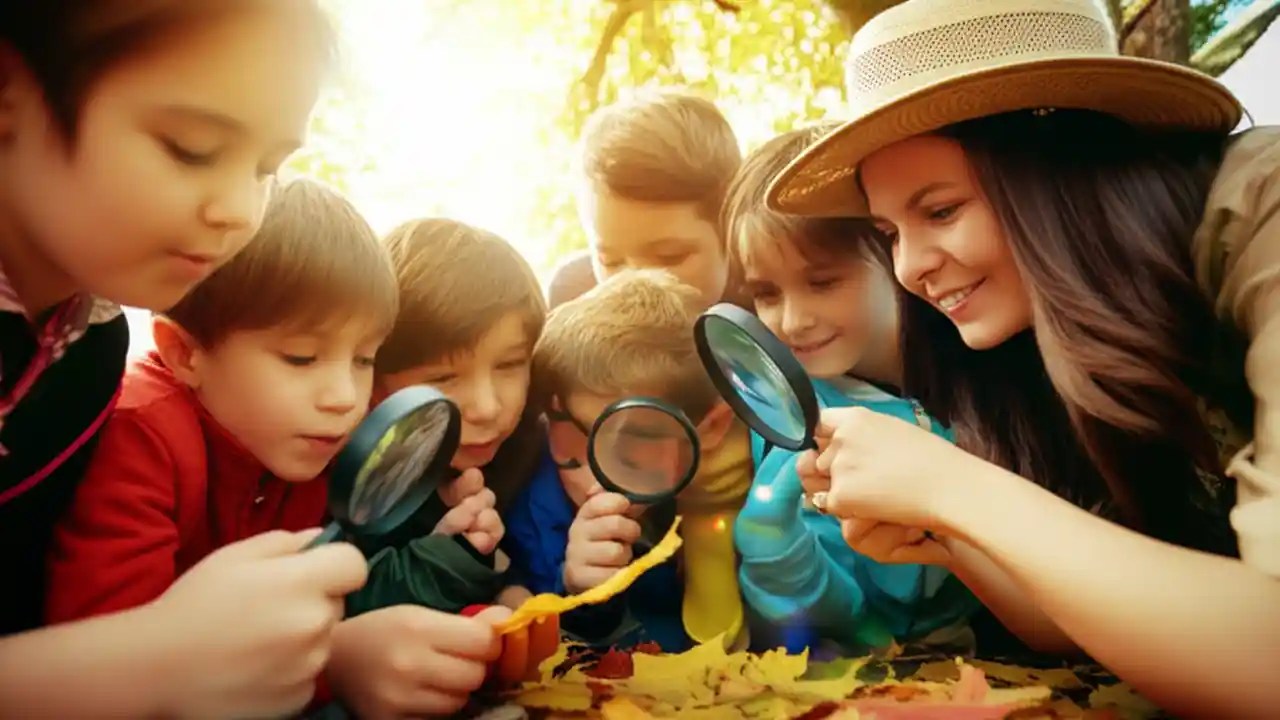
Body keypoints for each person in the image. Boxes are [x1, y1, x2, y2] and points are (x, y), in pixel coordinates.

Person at [767, 0, 1280, 716]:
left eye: (940, 211)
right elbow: (1086, 626)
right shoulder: (1040, 334)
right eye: (888, 231)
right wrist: (942, 531)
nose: (911, 268)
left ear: (1059, 168)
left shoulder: (1264, 212)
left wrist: (955, 488)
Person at [0, 3, 370, 717]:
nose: (239, 209)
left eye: (268, 167)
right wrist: (146, 662)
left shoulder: (91, 343)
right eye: (193, 147)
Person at [723, 127, 979, 656]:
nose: (792, 321)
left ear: (893, 251)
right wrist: (774, 544)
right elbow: (804, 611)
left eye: (823, 282)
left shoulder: (981, 372)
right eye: (766, 293)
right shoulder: (789, 415)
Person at [503, 269, 752, 651]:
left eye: (629, 453)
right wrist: (578, 593)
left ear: (712, 427)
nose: (594, 483)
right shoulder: (530, 505)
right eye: (567, 431)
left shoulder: (735, 490)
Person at [547, 91, 744, 310]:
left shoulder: (774, 305)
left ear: (731, 234)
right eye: (610, 261)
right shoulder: (573, 299)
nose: (636, 289)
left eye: (669, 257)